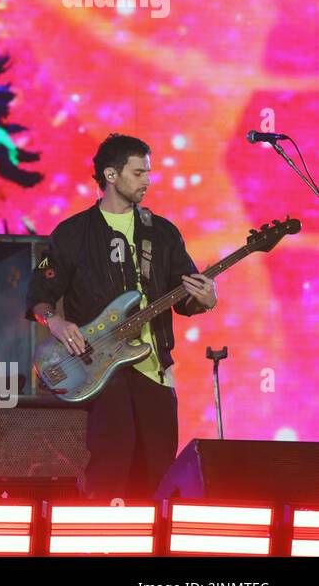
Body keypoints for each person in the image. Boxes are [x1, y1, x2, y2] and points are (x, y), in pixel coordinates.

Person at [24, 133, 218, 500]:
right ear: (110, 175)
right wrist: (57, 322)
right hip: (100, 366)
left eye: (149, 172)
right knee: (112, 462)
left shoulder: (161, 233)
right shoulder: (73, 233)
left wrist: (206, 299)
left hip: (154, 366)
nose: (147, 180)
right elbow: (40, 296)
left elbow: (186, 297)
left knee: (159, 470)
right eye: (139, 172)